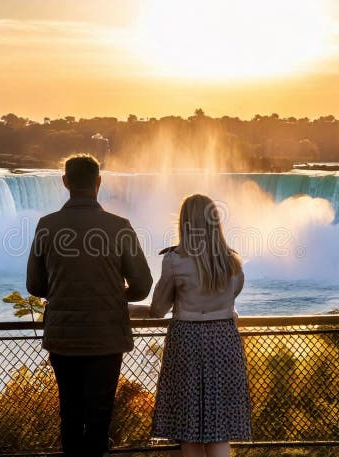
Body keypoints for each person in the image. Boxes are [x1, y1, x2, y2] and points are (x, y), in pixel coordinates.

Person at [26, 154, 153, 457]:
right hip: (106, 339)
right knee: (99, 417)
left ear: (65, 182)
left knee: (70, 414)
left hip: (63, 338)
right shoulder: (120, 226)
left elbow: (34, 285)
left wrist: (62, 291)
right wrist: (112, 295)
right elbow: (143, 285)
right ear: (98, 182)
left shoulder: (47, 226)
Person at [142, 194, 251, 457]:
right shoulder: (232, 262)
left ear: (184, 223)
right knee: (219, 426)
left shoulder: (174, 260)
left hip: (187, 341)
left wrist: (129, 308)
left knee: (189, 426)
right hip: (224, 340)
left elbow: (158, 310)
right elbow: (232, 298)